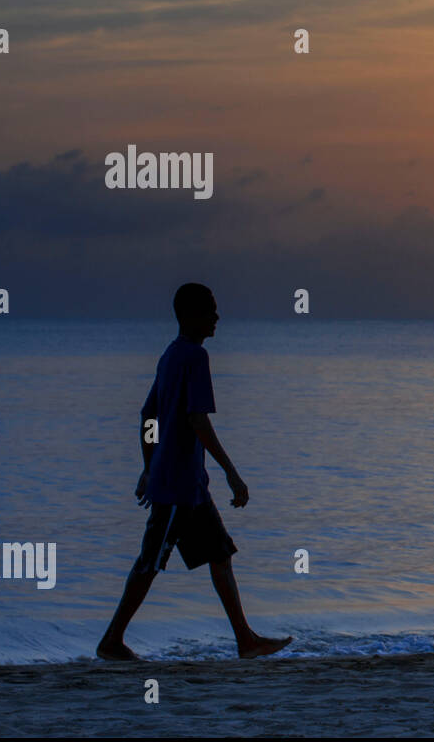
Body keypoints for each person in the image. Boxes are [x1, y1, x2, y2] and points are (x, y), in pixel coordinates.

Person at [97, 283, 291, 661]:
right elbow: (197, 420)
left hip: (190, 485)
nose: (217, 318)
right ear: (190, 316)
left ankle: (245, 641)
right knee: (150, 562)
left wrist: (147, 466)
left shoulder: (170, 356)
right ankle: (111, 641)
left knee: (220, 554)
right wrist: (231, 473)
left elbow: (147, 417)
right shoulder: (193, 358)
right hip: (177, 487)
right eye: (210, 311)